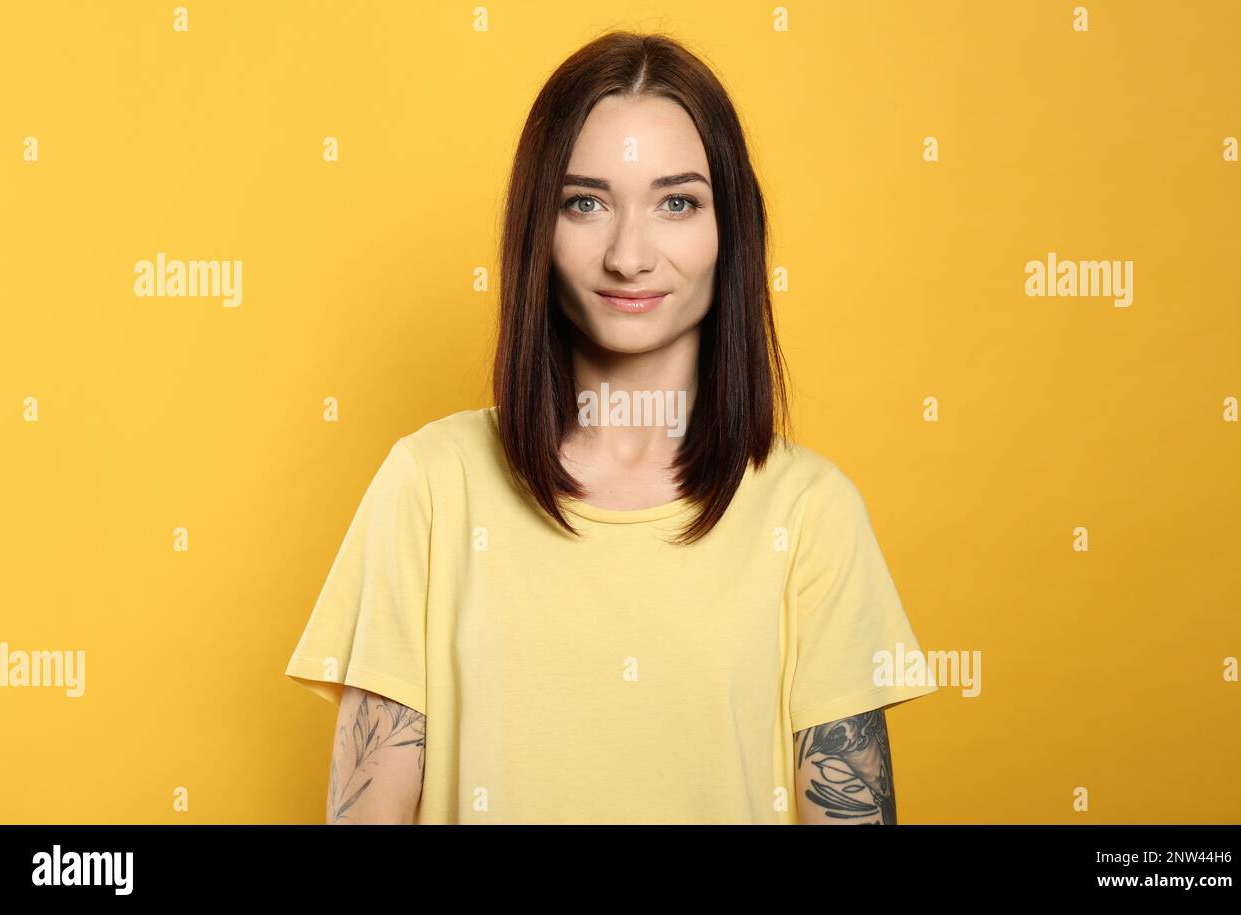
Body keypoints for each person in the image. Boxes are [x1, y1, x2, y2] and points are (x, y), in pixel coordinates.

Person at [285, 30, 938, 825]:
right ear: (538, 228)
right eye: (585, 202)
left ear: (731, 230)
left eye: (677, 202)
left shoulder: (812, 515)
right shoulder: (429, 485)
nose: (630, 255)